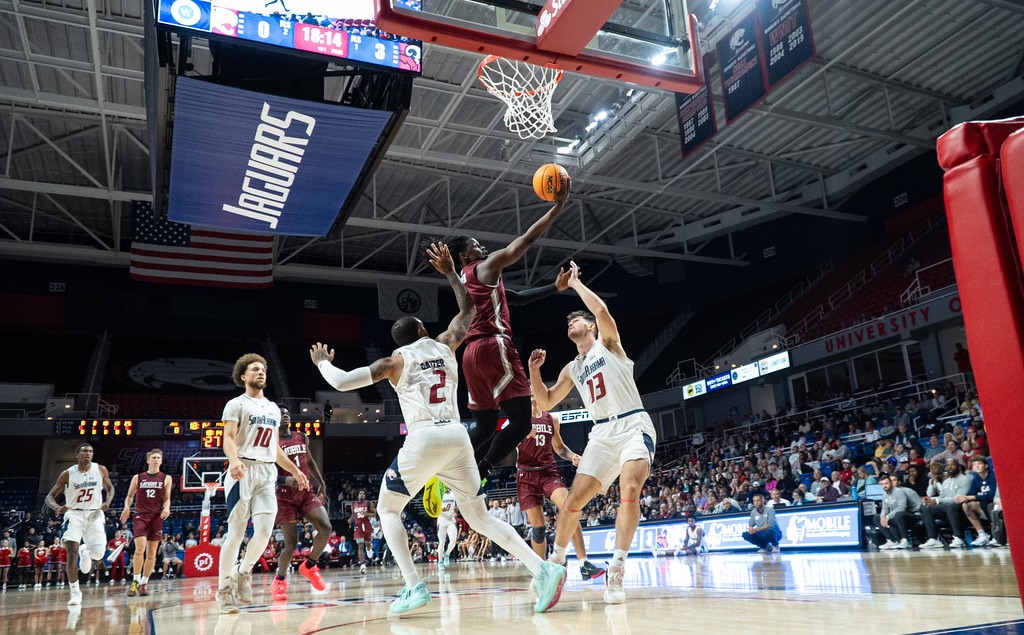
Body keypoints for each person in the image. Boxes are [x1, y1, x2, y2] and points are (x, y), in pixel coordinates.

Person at [311, 242, 566, 615]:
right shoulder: (446, 343)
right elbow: (469, 309)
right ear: (423, 329)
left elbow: (344, 382)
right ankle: (542, 568)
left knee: (387, 510)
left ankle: (414, 587)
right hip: (458, 438)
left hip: (425, 438)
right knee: (479, 516)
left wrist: (321, 363)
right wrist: (448, 272)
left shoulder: (393, 361)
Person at [529, 261, 657, 605]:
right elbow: (544, 402)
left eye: (577, 320)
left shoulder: (609, 344)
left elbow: (600, 308)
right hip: (601, 434)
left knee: (629, 488)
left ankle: (616, 569)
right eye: (568, 321)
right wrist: (534, 372)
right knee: (572, 503)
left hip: (632, 424)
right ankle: (555, 564)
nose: (571, 322)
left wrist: (574, 284)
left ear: (590, 327)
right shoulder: (572, 367)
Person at [440, 179, 572, 481]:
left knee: (486, 425)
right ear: (464, 255)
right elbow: (523, 242)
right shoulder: (485, 267)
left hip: (471, 355)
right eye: (475, 245)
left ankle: (452, 469)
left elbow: (515, 298)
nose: (481, 247)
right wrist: (558, 207)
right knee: (522, 422)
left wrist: (554, 287)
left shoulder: (466, 277)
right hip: (494, 347)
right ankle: (482, 471)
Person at [216, 354, 310, 614]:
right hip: (242, 471)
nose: (260, 373)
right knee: (235, 534)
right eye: (254, 369)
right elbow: (229, 438)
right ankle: (223, 591)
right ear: (243, 376)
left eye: (263, 369)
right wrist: (233, 461)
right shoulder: (236, 404)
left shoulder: (272, 408)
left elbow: (275, 448)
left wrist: (296, 471)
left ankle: (243, 572)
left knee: (265, 532)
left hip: (267, 472)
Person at [516, 399, 605, 580]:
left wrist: (572, 456)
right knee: (538, 528)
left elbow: (559, 447)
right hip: (526, 475)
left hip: (548, 471)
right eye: (529, 386)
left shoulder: (552, 419)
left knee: (570, 506)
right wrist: (521, 436)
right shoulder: (519, 418)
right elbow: (507, 444)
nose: (532, 389)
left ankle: (584, 563)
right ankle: (540, 571)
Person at [271, 407, 331, 602]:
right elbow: (269, 475)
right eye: (281, 413)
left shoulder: (302, 436)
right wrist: (285, 481)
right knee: (291, 544)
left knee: (326, 528)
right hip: (285, 496)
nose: (285, 415)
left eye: (287, 412)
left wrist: (321, 483)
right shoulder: (272, 443)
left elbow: (310, 461)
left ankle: (310, 565)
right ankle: (279, 581)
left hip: (305, 492)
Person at [44, 443, 115, 606]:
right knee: (71, 552)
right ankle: (75, 592)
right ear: (77, 455)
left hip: (94, 513)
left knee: (98, 555)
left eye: (90, 451)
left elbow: (110, 488)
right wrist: (57, 507)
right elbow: (49, 497)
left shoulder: (100, 469)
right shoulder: (67, 474)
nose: (88, 454)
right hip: (74, 514)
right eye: (84, 451)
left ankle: (86, 551)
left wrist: (108, 502)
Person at [120, 448, 172, 597]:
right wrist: (126, 508)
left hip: (156, 517)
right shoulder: (138, 477)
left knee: (151, 553)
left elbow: (167, 498)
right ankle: (135, 582)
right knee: (140, 548)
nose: (156, 460)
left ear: (161, 461)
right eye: (154, 457)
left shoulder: (166, 478)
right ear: (148, 460)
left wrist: (167, 508)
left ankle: (144, 583)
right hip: (140, 516)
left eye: (158, 458)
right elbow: (129, 496)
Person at [958, 455, 997, 546]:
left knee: (985, 503)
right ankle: (982, 535)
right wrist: (963, 498)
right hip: (983, 508)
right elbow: (970, 493)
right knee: (966, 505)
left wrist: (972, 497)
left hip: (994, 504)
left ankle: (996, 534)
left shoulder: (992, 476)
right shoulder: (976, 479)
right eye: (974, 464)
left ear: (986, 466)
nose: (977, 466)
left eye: (979, 464)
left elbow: (991, 495)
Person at [350, 490, 374, 575]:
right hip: (358, 526)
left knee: (367, 544)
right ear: (358, 496)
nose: (361, 495)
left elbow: (375, 514)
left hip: (366, 525)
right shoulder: (354, 505)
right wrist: (350, 519)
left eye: (363, 493)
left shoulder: (369, 503)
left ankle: (369, 548)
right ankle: (362, 564)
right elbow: (353, 514)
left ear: (365, 496)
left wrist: (367, 514)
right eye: (360, 493)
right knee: (360, 545)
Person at [436, 485, 458, 571]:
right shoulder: (438, 494)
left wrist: (456, 509)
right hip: (441, 519)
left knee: (453, 541)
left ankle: (447, 554)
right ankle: (440, 561)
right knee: (441, 542)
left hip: (451, 519)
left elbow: (457, 505)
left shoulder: (453, 493)